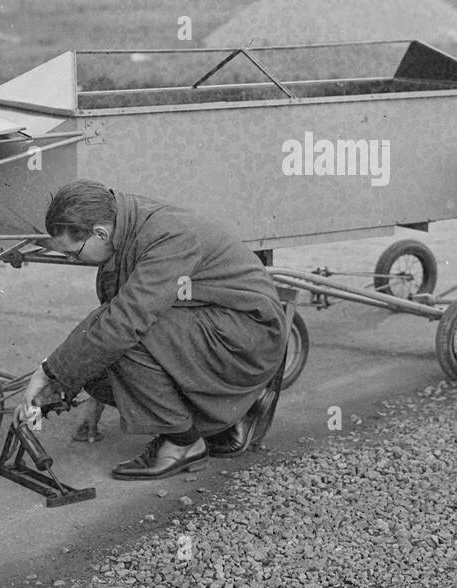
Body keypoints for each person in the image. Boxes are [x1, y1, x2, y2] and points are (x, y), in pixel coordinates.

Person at [15, 180, 287, 479]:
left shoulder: (167, 236)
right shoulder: (124, 221)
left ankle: (184, 444)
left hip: (249, 335)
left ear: (100, 233)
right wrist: (69, 384)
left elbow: (123, 324)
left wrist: (48, 372)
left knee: (128, 339)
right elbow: (112, 317)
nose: (71, 259)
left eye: (73, 253)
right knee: (92, 367)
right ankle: (230, 411)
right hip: (213, 322)